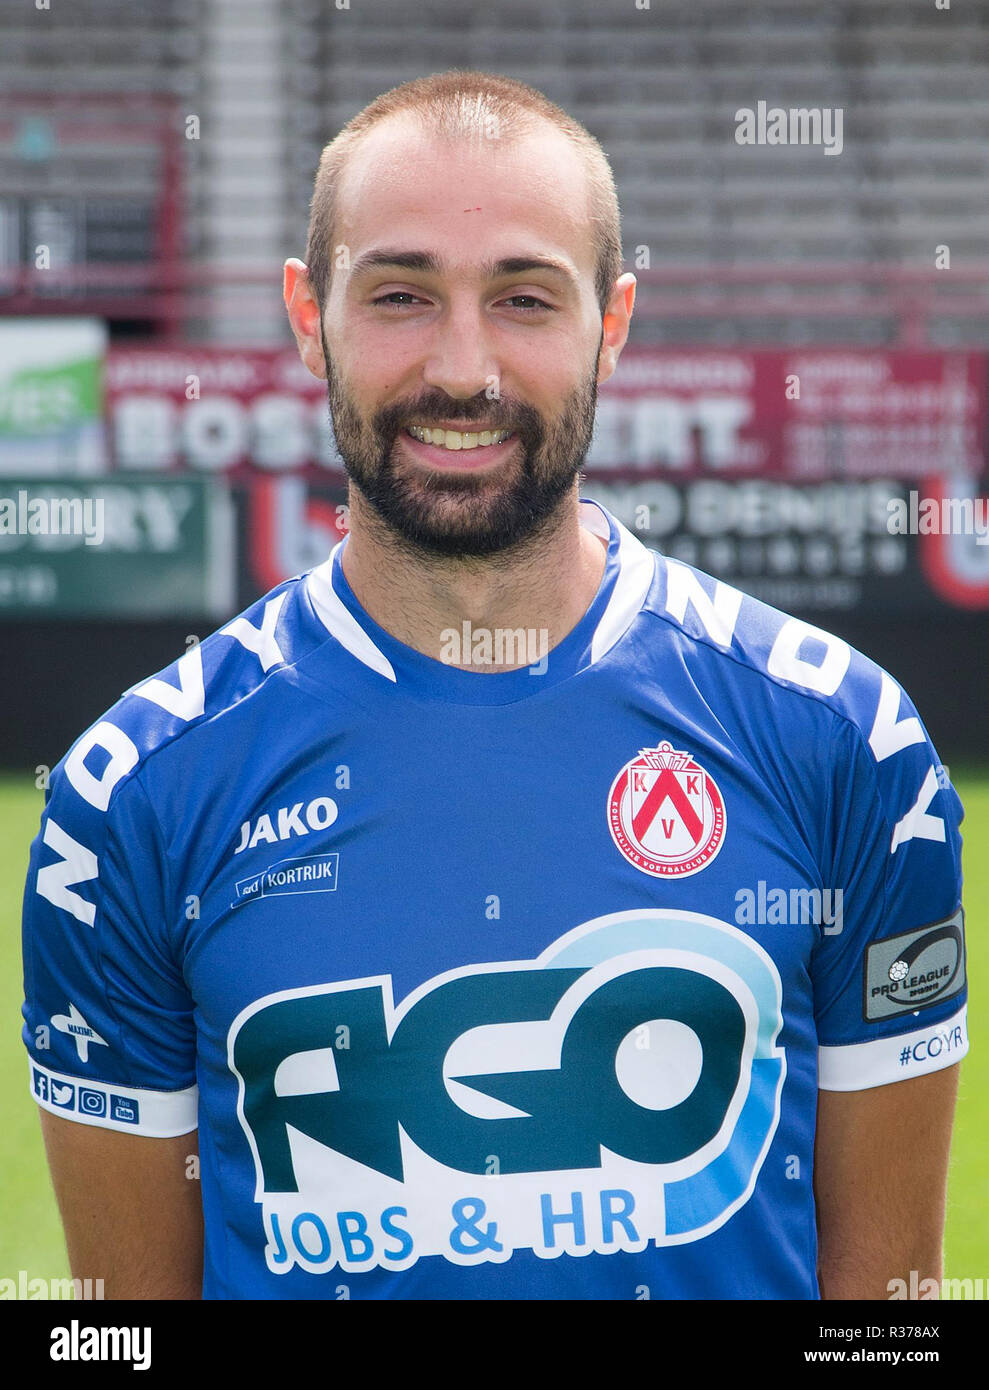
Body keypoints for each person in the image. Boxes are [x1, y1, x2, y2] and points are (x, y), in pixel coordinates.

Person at [22, 70, 967, 1300]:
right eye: (401, 295)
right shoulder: (125, 806)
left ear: (612, 323)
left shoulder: (849, 747)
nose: (461, 369)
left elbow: (890, 1310)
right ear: (308, 316)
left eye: (523, 297)